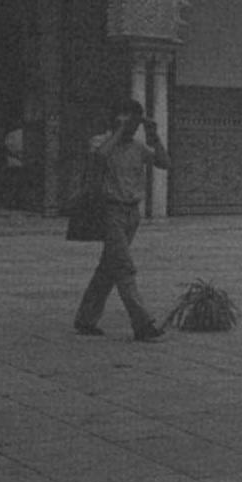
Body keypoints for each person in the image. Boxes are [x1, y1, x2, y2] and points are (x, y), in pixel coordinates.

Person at [72, 98, 169, 342]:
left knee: (109, 267)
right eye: (130, 121)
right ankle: (142, 322)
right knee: (124, 267)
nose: (133, 128)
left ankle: (86, 318)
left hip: (131, 213)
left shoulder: (138, 148)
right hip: (110, 211)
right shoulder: (100, 141)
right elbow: (99, 158)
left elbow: (164, 163)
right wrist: (118, 131)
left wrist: (153, 136)